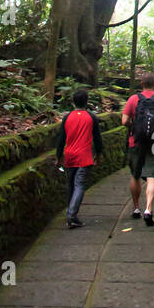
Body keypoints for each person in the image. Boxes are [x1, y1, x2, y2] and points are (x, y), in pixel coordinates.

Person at [122, 72, 154, 226]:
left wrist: (136, 127)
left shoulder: (133, 99)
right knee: (152, 176)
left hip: (135, 141)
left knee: (135, 175)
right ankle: (148, 209)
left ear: (141, 84)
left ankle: (136, 208)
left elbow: (124, 120)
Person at [55, 87, 103, 229]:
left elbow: (61, 139)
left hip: (69, 156)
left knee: (70, 185)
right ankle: (71, 216)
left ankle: (71, 215)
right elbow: (97, 138)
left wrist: (58, 156)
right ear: (86, 102)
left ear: (73, 102)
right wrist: (99, 154)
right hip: (84, 156)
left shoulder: (67, 117)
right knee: (79, 185)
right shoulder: (91, 117)